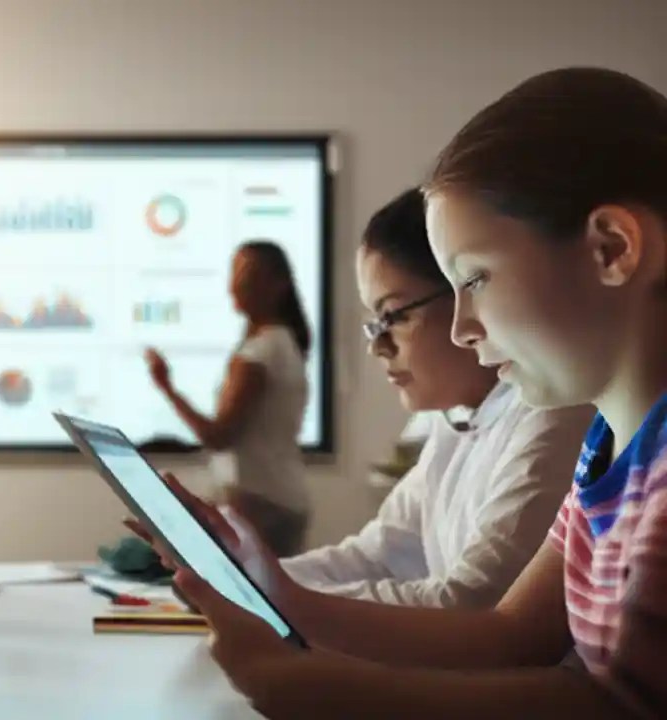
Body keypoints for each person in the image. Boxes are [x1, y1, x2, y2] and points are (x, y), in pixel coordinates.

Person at [158, 67, 667, 719]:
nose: (461, 327)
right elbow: (509, 635)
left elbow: (610, 708)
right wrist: (279, 594)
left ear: (612, 248)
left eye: (475, 279)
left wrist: (313, 688)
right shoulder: (604, 450)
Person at [280, 187, 591, 607]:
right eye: (375, 322)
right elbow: (377, 557)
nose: (379, 347)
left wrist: (280, 596)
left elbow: (475, 602)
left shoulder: (553, 413)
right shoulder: (457, 423)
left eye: (395, 315)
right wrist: (247, 578)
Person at [146, 241, 312, 557]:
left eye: (247, 274)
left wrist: (166, 387)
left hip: (258, 504)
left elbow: (218, 436)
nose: (234, 285)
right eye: (234, 273)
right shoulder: (285, 343)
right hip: (281, 500)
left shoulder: (259, 354)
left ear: (277, 285)